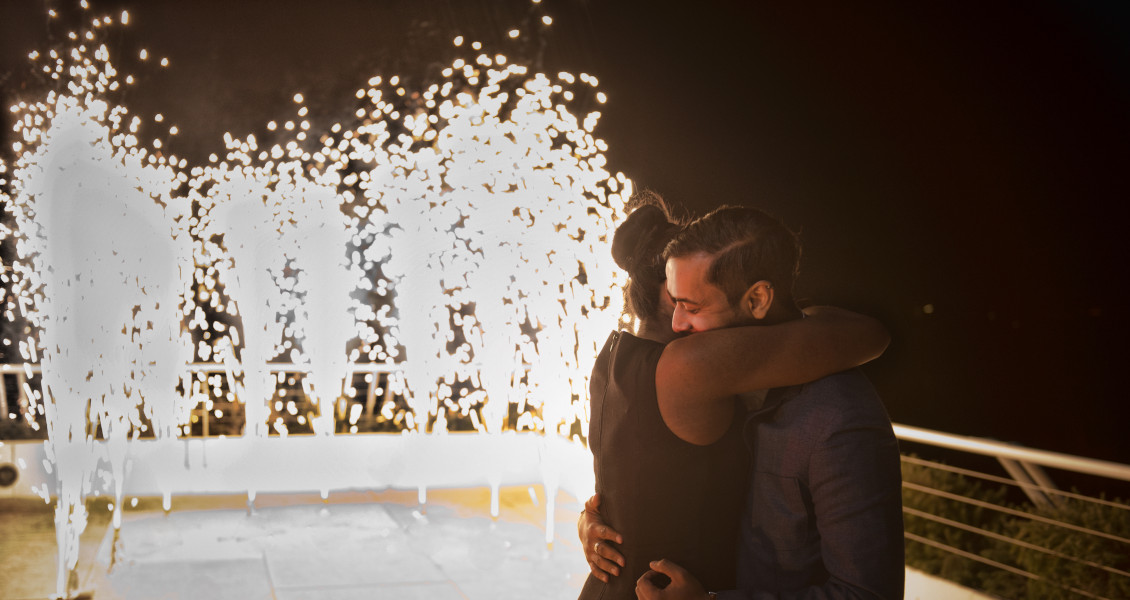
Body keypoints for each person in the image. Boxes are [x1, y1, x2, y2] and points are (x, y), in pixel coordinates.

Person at [577, 193, 892, 600]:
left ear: (757, 299)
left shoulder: (616, 357)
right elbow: (868, 334)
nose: (679, 324)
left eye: (690, 305)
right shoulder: (696, 368)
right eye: (676, 301)